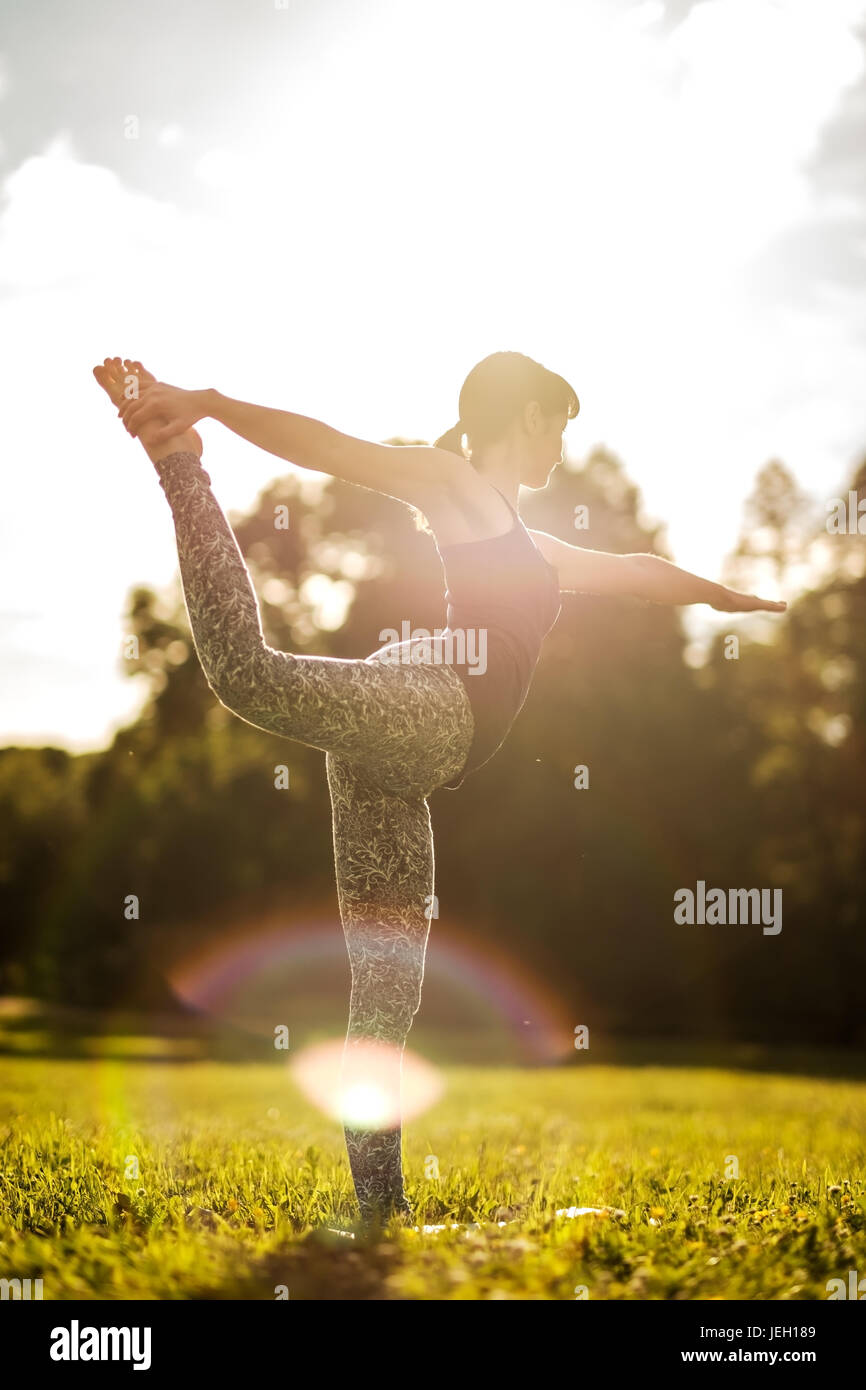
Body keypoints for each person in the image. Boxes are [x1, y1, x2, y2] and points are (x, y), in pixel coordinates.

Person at [93, 350, 785, 1226]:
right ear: (527, 415)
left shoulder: (529, 543)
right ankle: (176, 460)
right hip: (427, 709)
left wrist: (733, 599)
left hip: (410, 753)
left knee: (388, 984)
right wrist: (211, 404)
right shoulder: (454, 483)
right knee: (247, 676)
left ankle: (379, 1211)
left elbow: (641, 572)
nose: (564, 448)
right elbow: (332, 448)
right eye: (560, 424)